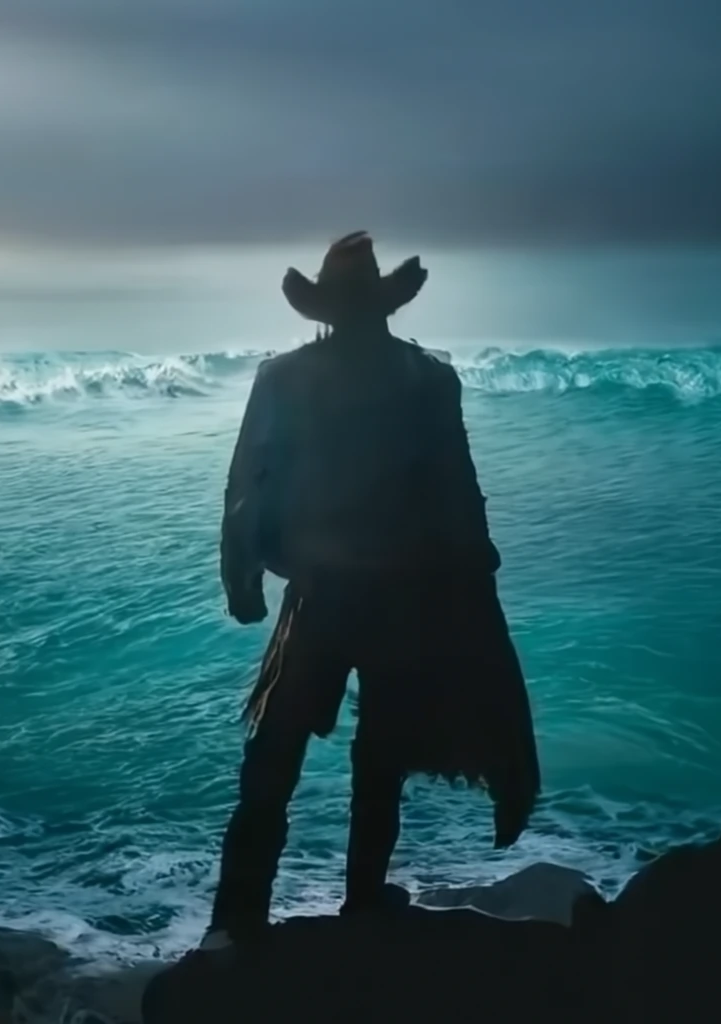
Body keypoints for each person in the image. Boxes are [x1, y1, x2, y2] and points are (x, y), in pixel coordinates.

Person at [203, 231, 540, 950]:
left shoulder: (285, 377)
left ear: (323, 307)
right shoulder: (427, 377)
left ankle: (234, 924)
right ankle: (361, 903)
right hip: (405, 596)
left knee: (275, 755)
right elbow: (459, 492)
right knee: (379, 757)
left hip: (319, 595)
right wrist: (476, 589)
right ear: (386, 303)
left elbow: (248, 481)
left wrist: (243, 578)